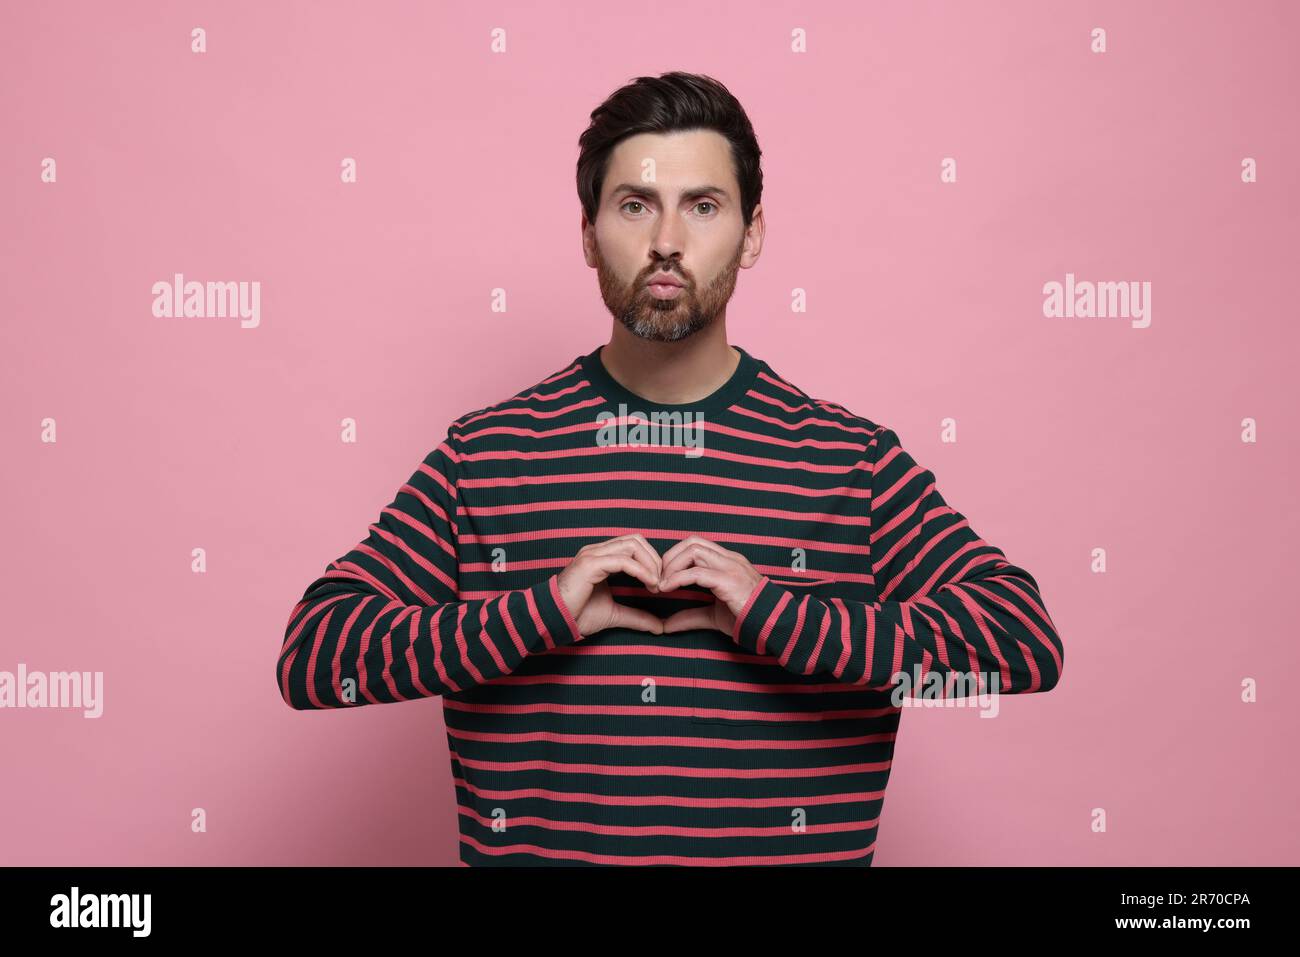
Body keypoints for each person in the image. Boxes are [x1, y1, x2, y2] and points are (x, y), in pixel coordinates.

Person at [277, 71, 1064, 866]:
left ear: (752, 234)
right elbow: (312, 657)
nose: (666, 239)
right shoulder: (487, 453)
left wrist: (775, 616)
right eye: (634, 205)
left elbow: (1024, 644)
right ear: (588, 234)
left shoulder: (848, 461)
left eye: (703, 205)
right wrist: (538, 613)